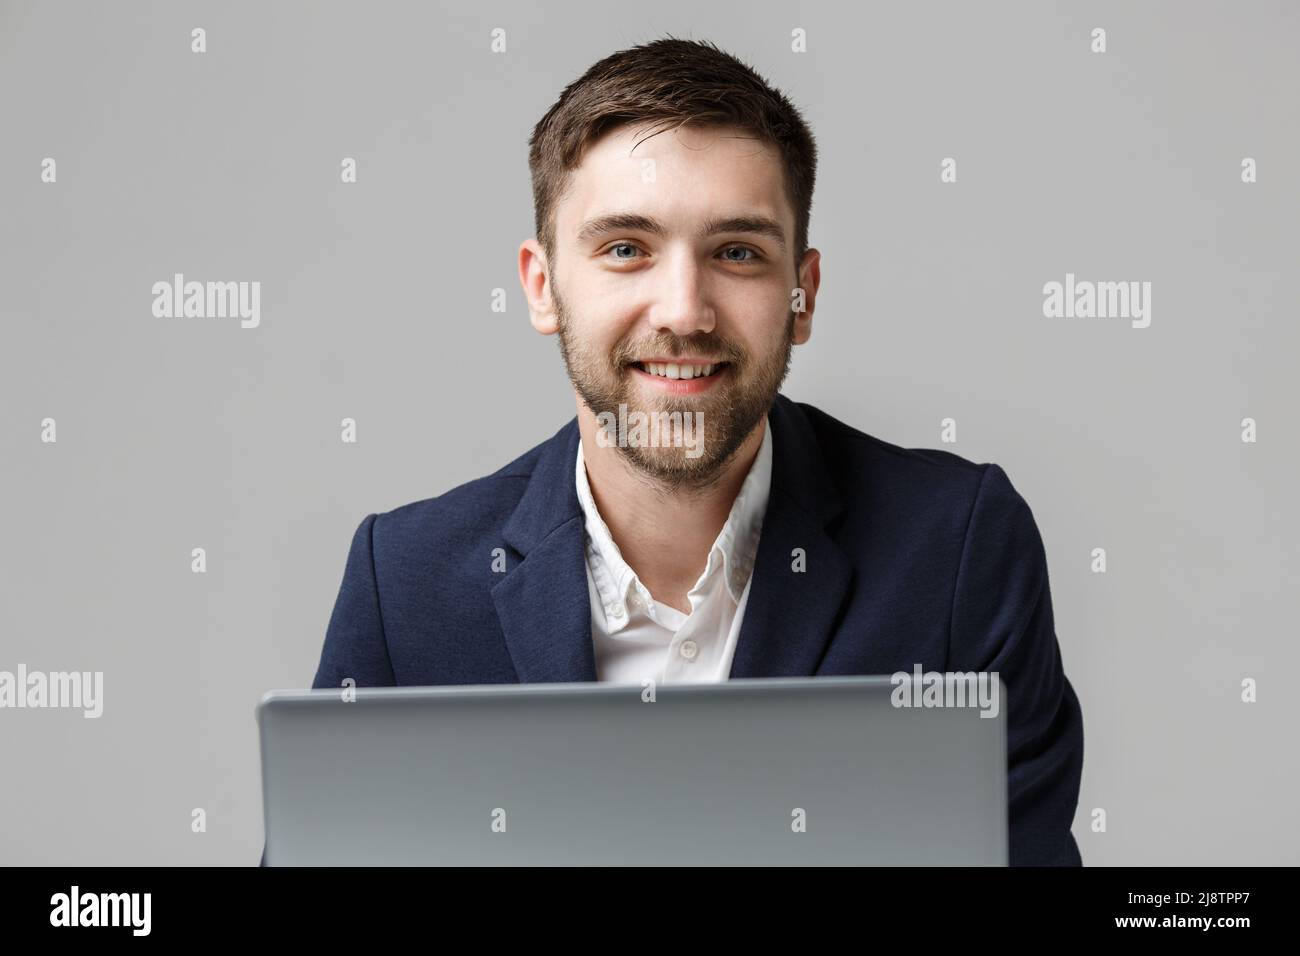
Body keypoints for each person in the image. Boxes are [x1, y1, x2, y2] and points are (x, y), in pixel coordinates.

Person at [294, 37, 1084, 867]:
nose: (684, 311)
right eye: (626, 248)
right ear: (541, 286)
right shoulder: (406, 583)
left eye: (737, 252)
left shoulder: (958, 551)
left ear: (802, 294)